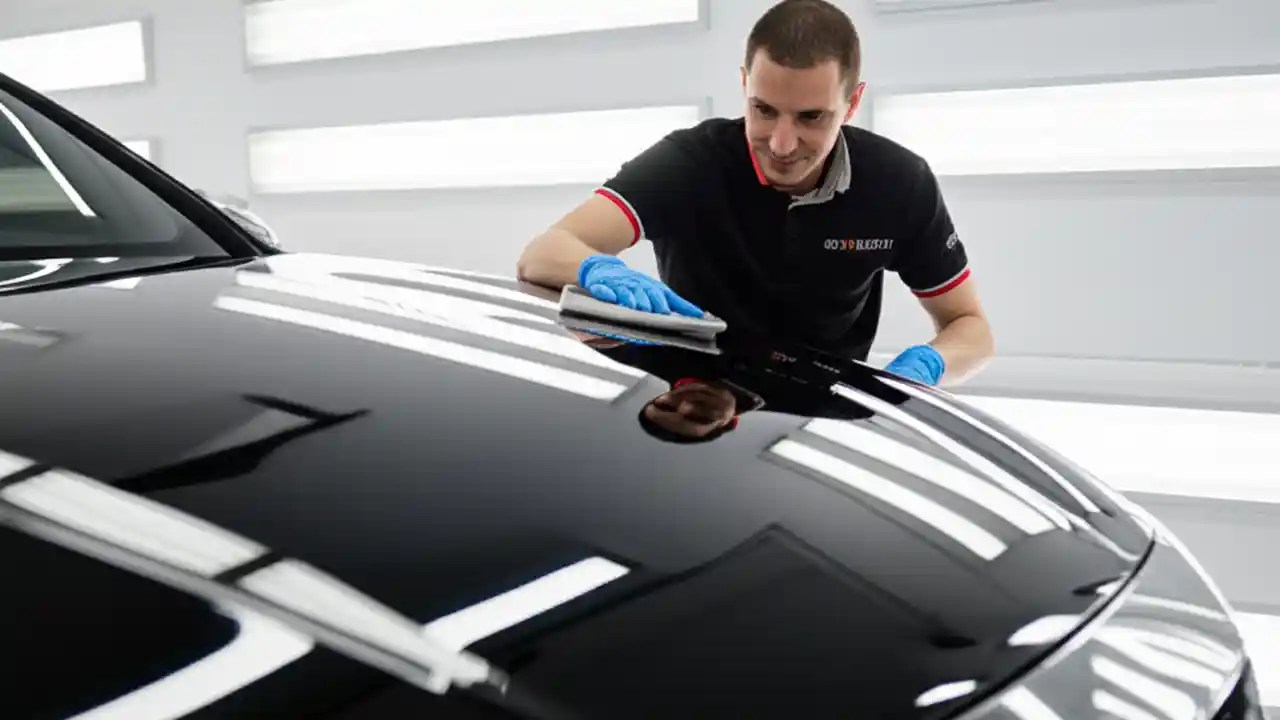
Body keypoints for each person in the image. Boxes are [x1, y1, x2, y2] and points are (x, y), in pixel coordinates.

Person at [517, 0, 994, 388]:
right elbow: (543, 253)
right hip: (688, 404)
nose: (781, 144)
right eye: (763, 109)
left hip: (818, 420)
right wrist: (597, 266)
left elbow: (971, 327)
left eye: (811, 117)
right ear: (745, 84)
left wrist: (927, 366)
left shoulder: (900, 183)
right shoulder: (688, 163)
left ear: (851, 103)